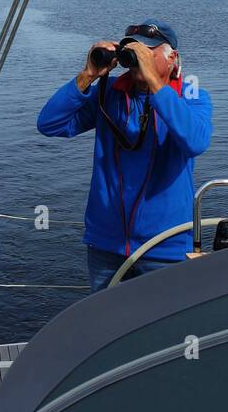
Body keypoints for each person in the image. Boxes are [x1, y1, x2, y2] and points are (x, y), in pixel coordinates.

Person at [37, 19, 212, 293]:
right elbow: (49, 124)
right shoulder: (109, 96)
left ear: (172, 58)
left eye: (147, 53)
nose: (138, 62)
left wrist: (155, 85)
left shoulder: (193, 98)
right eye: (134, 54)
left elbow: (195, 141)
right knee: (109, 325)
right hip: (107, 244)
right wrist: (88, 75)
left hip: (165, 244)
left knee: (164, 328)